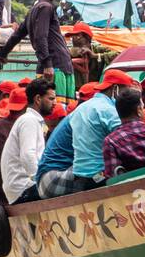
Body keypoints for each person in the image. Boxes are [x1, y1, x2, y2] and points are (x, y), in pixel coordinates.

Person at [35, 69, 134, 198]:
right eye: (125, 93)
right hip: (51, 179)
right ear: (115, 89)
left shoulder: (88, 107)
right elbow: (129, 140)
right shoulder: (104, 109)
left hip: (49, 178)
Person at [0, 0, 75, 82]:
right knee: (54, 99)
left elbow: (18, 35)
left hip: (50, 64)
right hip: (56, 65)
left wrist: (4, 53)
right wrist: (48, 64)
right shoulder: (46, 7)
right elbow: (40, 37)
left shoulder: (35, 9)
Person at [1, 79, 57, 203]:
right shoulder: (29, 120)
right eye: (51, 99)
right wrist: (42, 182)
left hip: (22, 187)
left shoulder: (33, 120)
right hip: (23, 188)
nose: (55, 103)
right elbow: (27, 156)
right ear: (38, 99)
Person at [101, 87, 145, 178]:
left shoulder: (110, 142)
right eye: (142, 106)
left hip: (132, 191)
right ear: (139, 110)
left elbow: (114, 178)